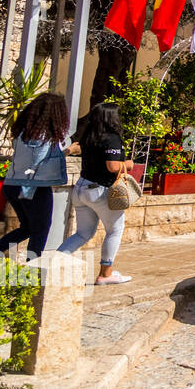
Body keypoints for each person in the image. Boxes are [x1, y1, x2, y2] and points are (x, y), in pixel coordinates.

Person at [57, 102, 136, 284]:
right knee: (115, 231)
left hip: (82, 188)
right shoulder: (112, 138)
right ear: (113, 118)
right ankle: (105, 275)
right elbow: (113, 167)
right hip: (100, 191)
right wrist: (129, 164)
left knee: (83, 233)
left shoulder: (90, 137)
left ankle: (54, 262)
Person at [0, 93, 70, 261]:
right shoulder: (46, 136)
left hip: (12, 185)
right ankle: (32, 273)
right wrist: (70, 151)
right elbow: (43, 162)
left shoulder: (22, 132)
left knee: (27, 228)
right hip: (32, 188)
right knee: (40, 231)